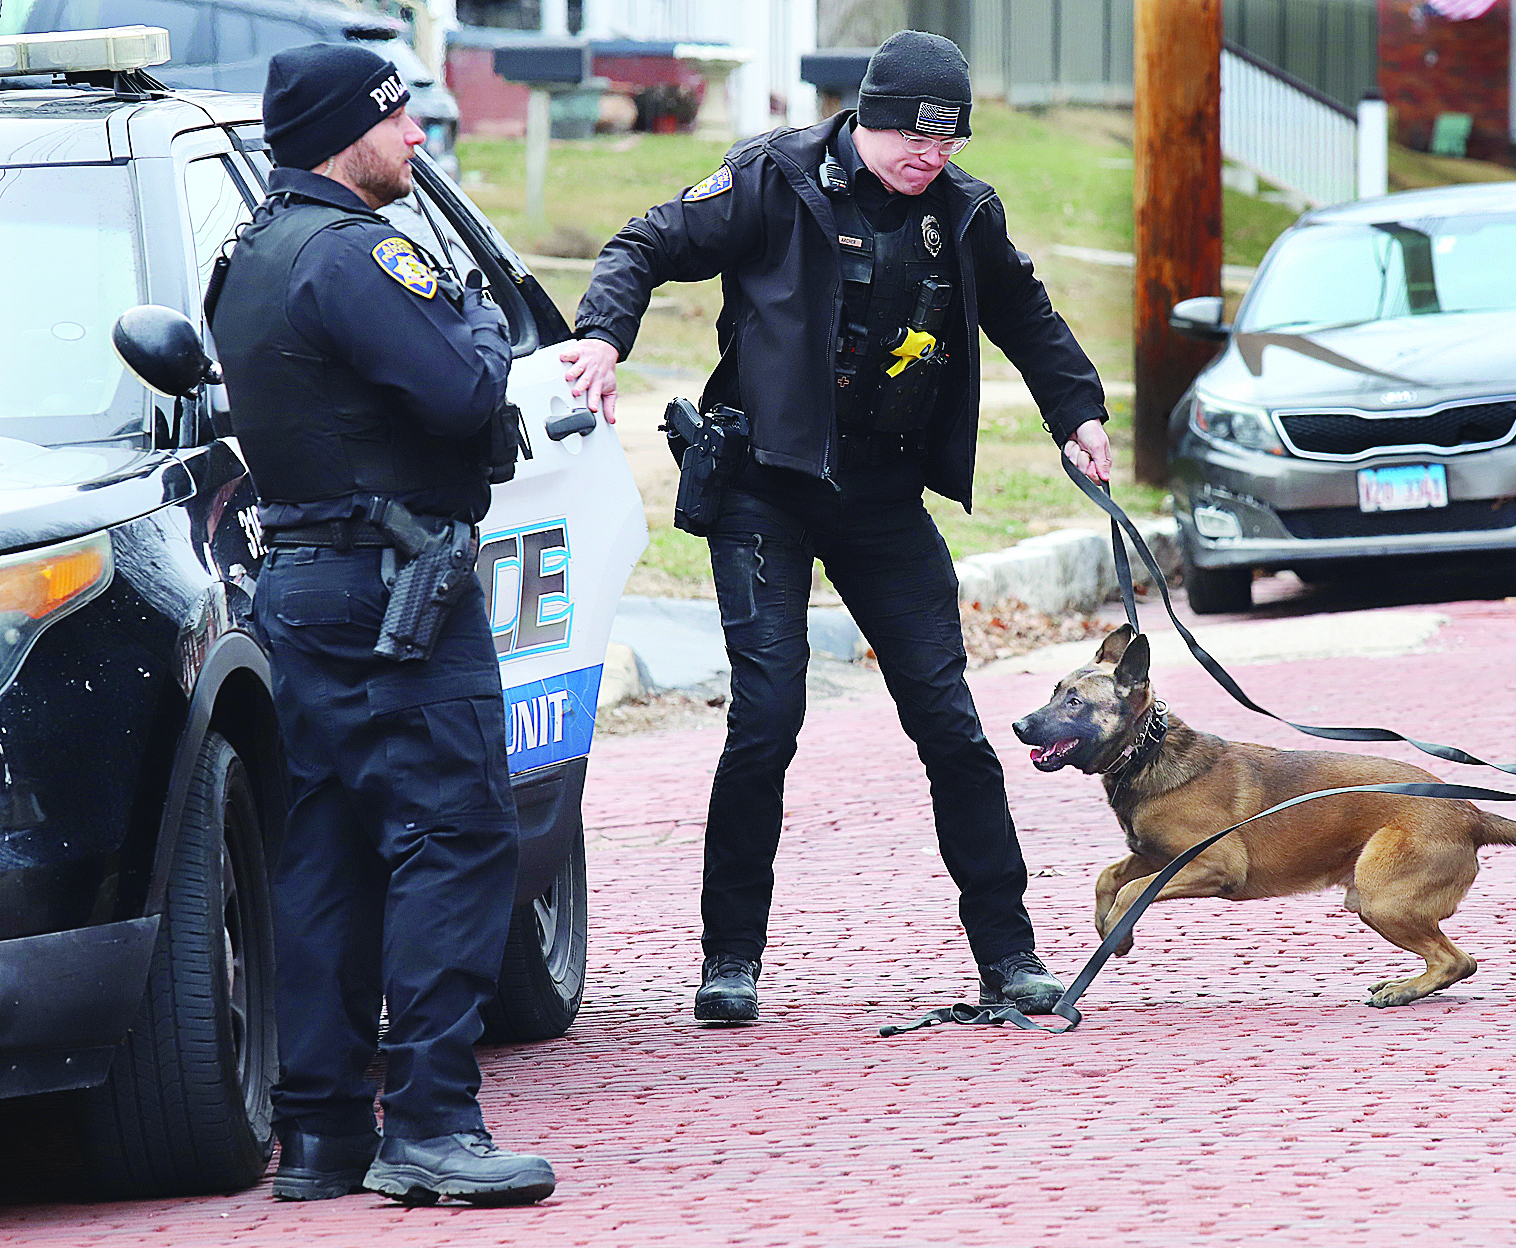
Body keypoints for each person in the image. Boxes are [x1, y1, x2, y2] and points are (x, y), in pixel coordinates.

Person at [563, 30, 1113, 1023]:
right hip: (767, 489)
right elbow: (644, 242)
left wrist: (1078, 414)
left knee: (949, 723)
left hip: (884, 499)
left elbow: (1028, 317)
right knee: (768, 719)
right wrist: (603, 336)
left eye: (946, 144)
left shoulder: (963, 210)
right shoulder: (773, 179)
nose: (927, 160)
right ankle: (729, 959)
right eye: (912, 138)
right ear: (868, 116)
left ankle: (1009, 952)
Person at [209, 43, 554, 1205]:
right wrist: (476, 314)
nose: (416, 135)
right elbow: (465, 392)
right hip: (398, 594)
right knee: (456, 839)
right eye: (397, 118)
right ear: (338, 132)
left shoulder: (248, 255)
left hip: (308, 586)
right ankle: (431, 1125)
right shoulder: (358, 257)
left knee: (332, 855)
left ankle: (317, 1139)